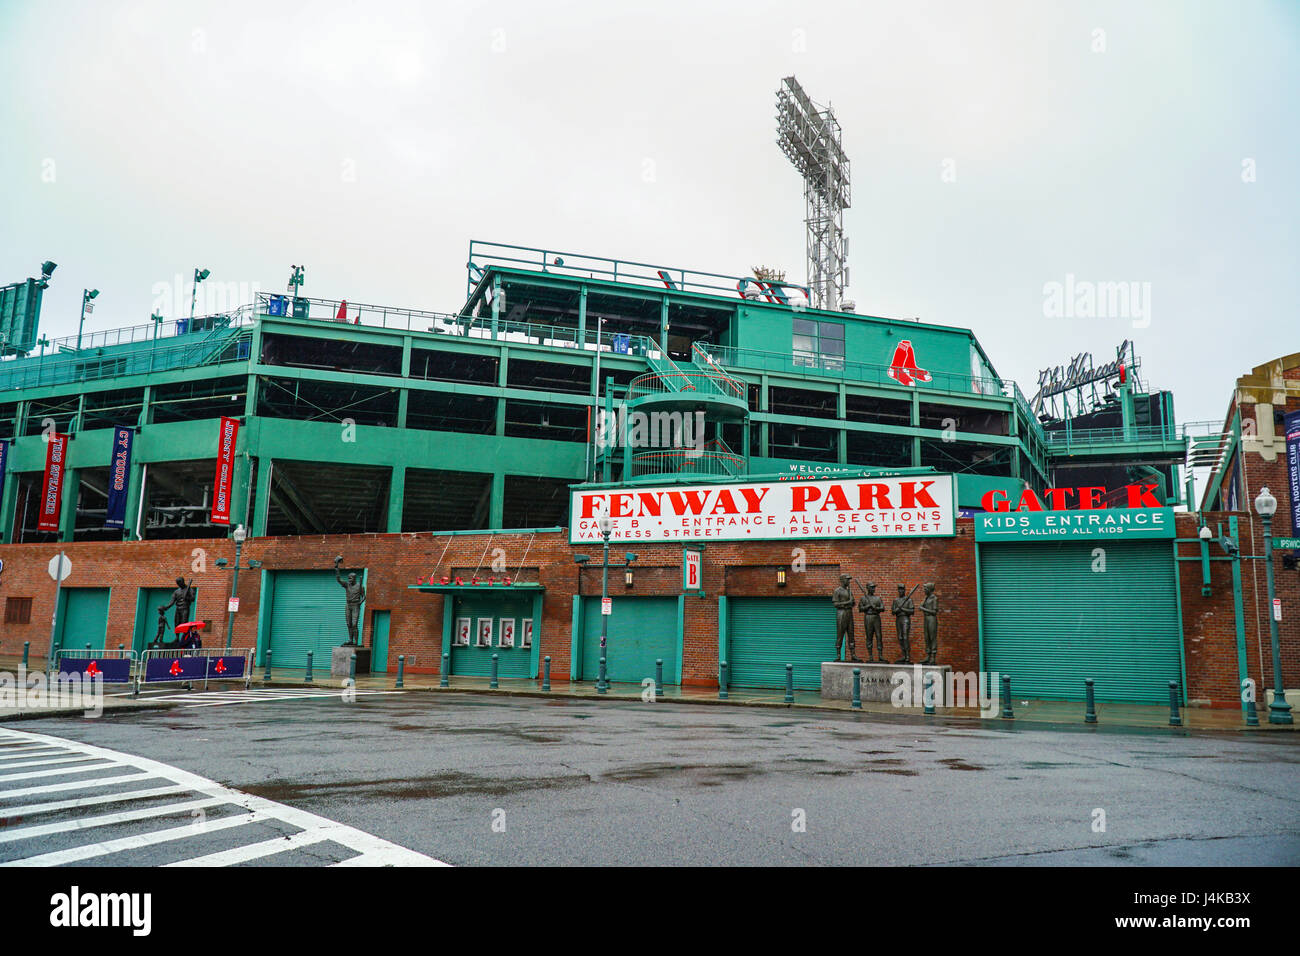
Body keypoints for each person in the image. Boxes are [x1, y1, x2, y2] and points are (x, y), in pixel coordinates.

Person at [831, 574, 860, 662]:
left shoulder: (849, 591)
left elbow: (853, 603)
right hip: (841, 613)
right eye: (847, 580)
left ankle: (853, 654)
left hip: (849, 613)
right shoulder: (837, 591)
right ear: (843, 580)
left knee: (851, 633)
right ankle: (838, 655)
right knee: (840, 634)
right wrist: (848, 602)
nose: (848, 582)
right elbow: (835, 604)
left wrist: (852, 602)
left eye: (849, 580)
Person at [858, 582, 885, 662]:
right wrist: (868, 606)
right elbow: (860, 609)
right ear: (868, 588)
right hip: (868, 617)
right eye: (872, 587)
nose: (873, 589)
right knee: (869, 636)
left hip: (876, 617)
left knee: (879, 636)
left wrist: (876, 607)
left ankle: (880, 655)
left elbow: (882, 608)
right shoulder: (863, 598)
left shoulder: (877, 598)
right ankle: (870, 656)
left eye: (874, 587)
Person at [891, 584, 914, 664]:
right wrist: (898, 609)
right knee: (900, 637)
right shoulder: (896, 600)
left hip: (905, 619)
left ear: (904, 590)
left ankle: (907, 655)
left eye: (902, 589)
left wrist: (903, 608)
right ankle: (904, 654)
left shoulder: (908, 600)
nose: (901, 591)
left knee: (905, 637)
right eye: (899, 589)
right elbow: (893, 612)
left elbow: (912, 611)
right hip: (898, 618)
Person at [920, 583, 940, 665]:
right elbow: (921, 606)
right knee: (926, 637)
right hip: (926, 619)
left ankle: (933, 657)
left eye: (925, 589)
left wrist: (923, 609)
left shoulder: (934, 598)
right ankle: (928, 656)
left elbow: (934, 612)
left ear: (929, 589)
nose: (924, 591)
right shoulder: (926, 598)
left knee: (932, 637)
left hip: (932, 619)